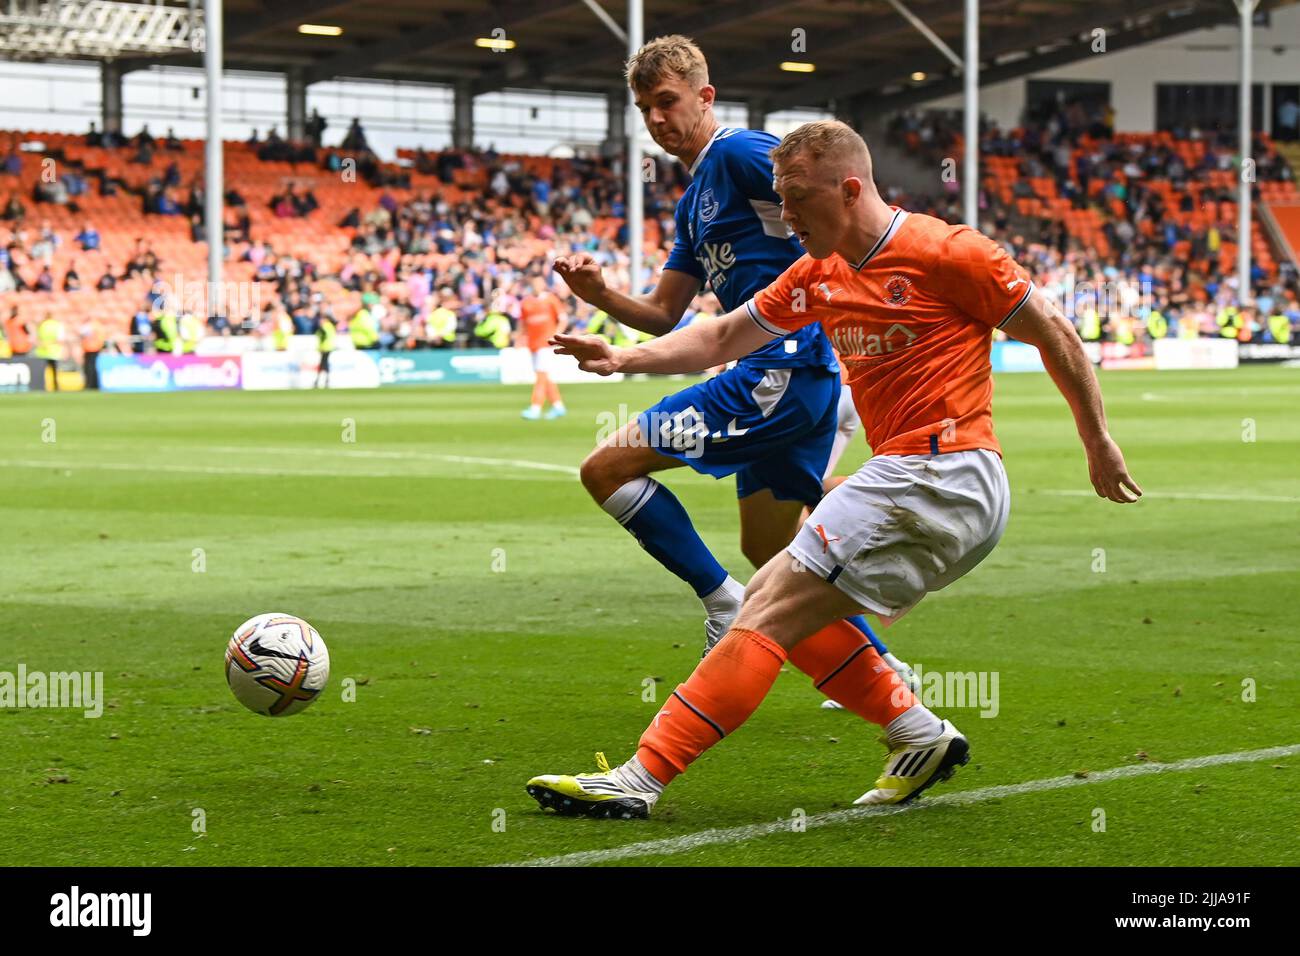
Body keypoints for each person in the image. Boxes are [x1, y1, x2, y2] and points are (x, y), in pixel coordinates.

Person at [530, 119, 1142, 817]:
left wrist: (1097, 440)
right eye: (779, 201)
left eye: (795, 199)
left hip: (941, 474)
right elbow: (726, 334)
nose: (785, 218)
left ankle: (640, 779)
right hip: (919, 480)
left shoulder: (948, 251)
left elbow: (1053, 329)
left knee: (760, 607)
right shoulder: (819, 273)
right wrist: (622, 356)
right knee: (784, 600)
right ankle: (917, 734)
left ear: (850, 189)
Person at [551, 35, 910, 685]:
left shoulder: (742, 153)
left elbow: (841, 198)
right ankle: (888, 676)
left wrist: (865, 299)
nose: (657, 119)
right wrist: (601, 297)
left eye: (667, 101)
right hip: (790, 376)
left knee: (607, 469)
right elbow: (666, 313)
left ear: (705, 96)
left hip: (778, 367)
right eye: (644, 108)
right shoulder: (693, 204)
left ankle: (723, 602)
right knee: (770, 550)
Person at [517, 276, 567, 419]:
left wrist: (557, 335)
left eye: (540, 283)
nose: (537, 286)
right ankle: (558, 406)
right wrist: (519, 338)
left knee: (541, 375)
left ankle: (535, 407)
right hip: (533, 344)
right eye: (535, 283)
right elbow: (523, 323)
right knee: (545, 376)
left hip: (546, 344)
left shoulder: (551, 299)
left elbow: (563, 319)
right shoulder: (525, 302)